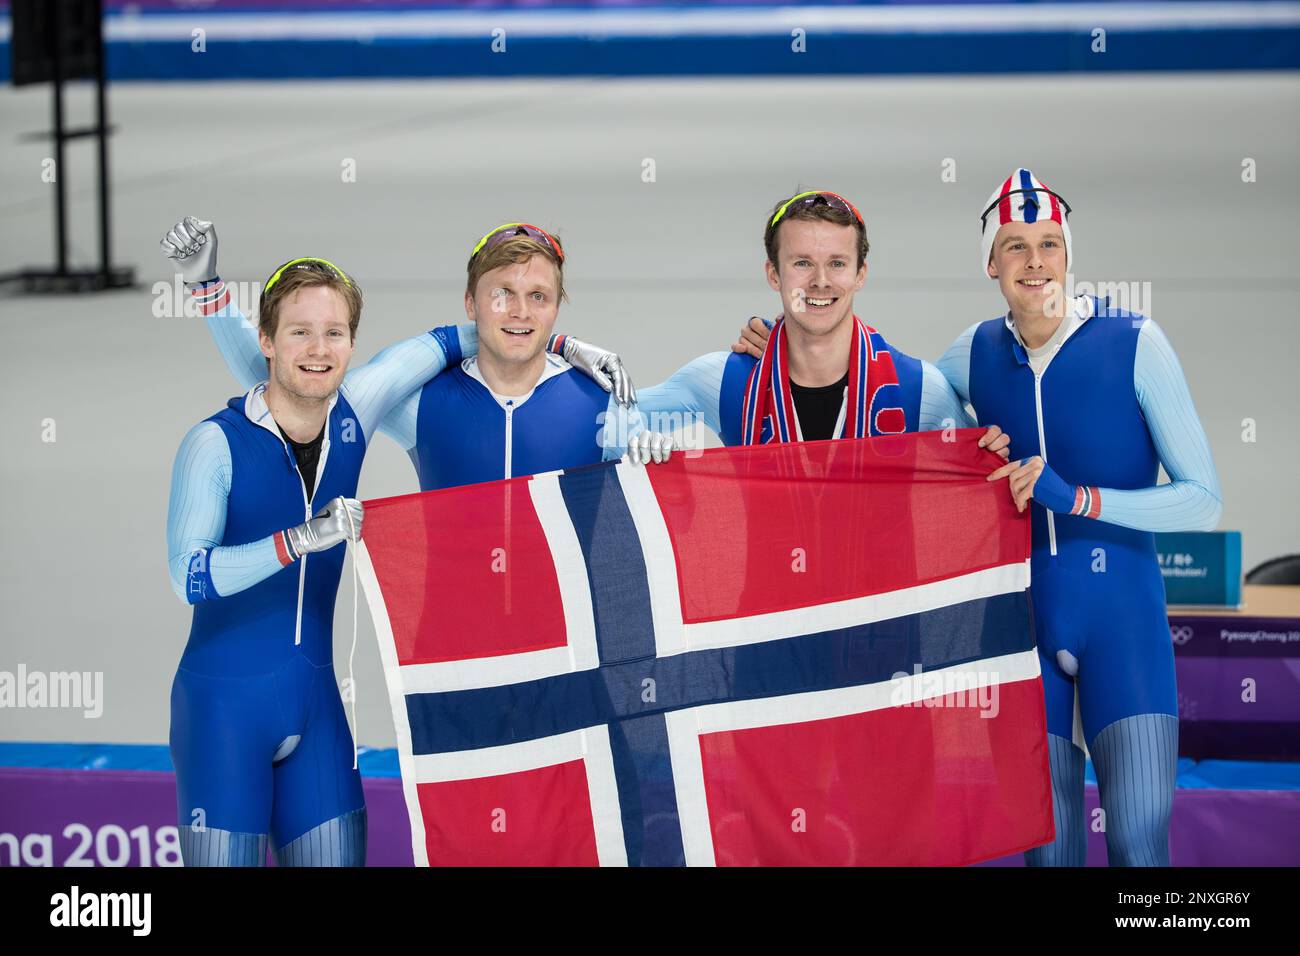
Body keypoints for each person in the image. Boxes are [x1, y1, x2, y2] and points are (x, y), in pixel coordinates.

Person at [938, 168, 1222, 865]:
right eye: (1014, 246)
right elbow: (883, 408)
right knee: (1049, 849)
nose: (1034, 260)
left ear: (1069, 254)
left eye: (1049, 243)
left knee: (1136, 841)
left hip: (1122, 623)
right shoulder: (969, 356)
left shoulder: (1135, 342)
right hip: (1024, 626)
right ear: (990, 264)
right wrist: (777, 344)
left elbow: (1204, 500)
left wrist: (1081, 500)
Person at [166, 257, 465, 865]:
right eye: (299, 332)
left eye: (334, 332)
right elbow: (187, 575)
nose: (318, 348)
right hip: (222, 714)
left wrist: (570, 345)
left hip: (317, 708)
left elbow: (453, 338)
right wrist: (299, 538)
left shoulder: (356, 409)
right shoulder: (213, 444)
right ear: (267, 342)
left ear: (353, 343)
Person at [164, 218, 671, 481]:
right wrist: (207, 288)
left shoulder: (602, 401)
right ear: (470, 303)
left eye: (538, 297)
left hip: (569, 663)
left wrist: (666, 472)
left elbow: (681, 521)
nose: (520, 312)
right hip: (451, 659)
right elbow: (286, 387)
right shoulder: (420, 403)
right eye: (502, 295)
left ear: (558, 306)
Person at [646, 190, 1009, 457]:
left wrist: (995, 454)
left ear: (860, 274)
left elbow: (984, 484)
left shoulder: (919, 389)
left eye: (837, 263)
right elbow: (604, 426)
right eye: (802, 263)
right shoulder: (723, 382)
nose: (820, 281)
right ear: (774, 274)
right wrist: (639, 450)